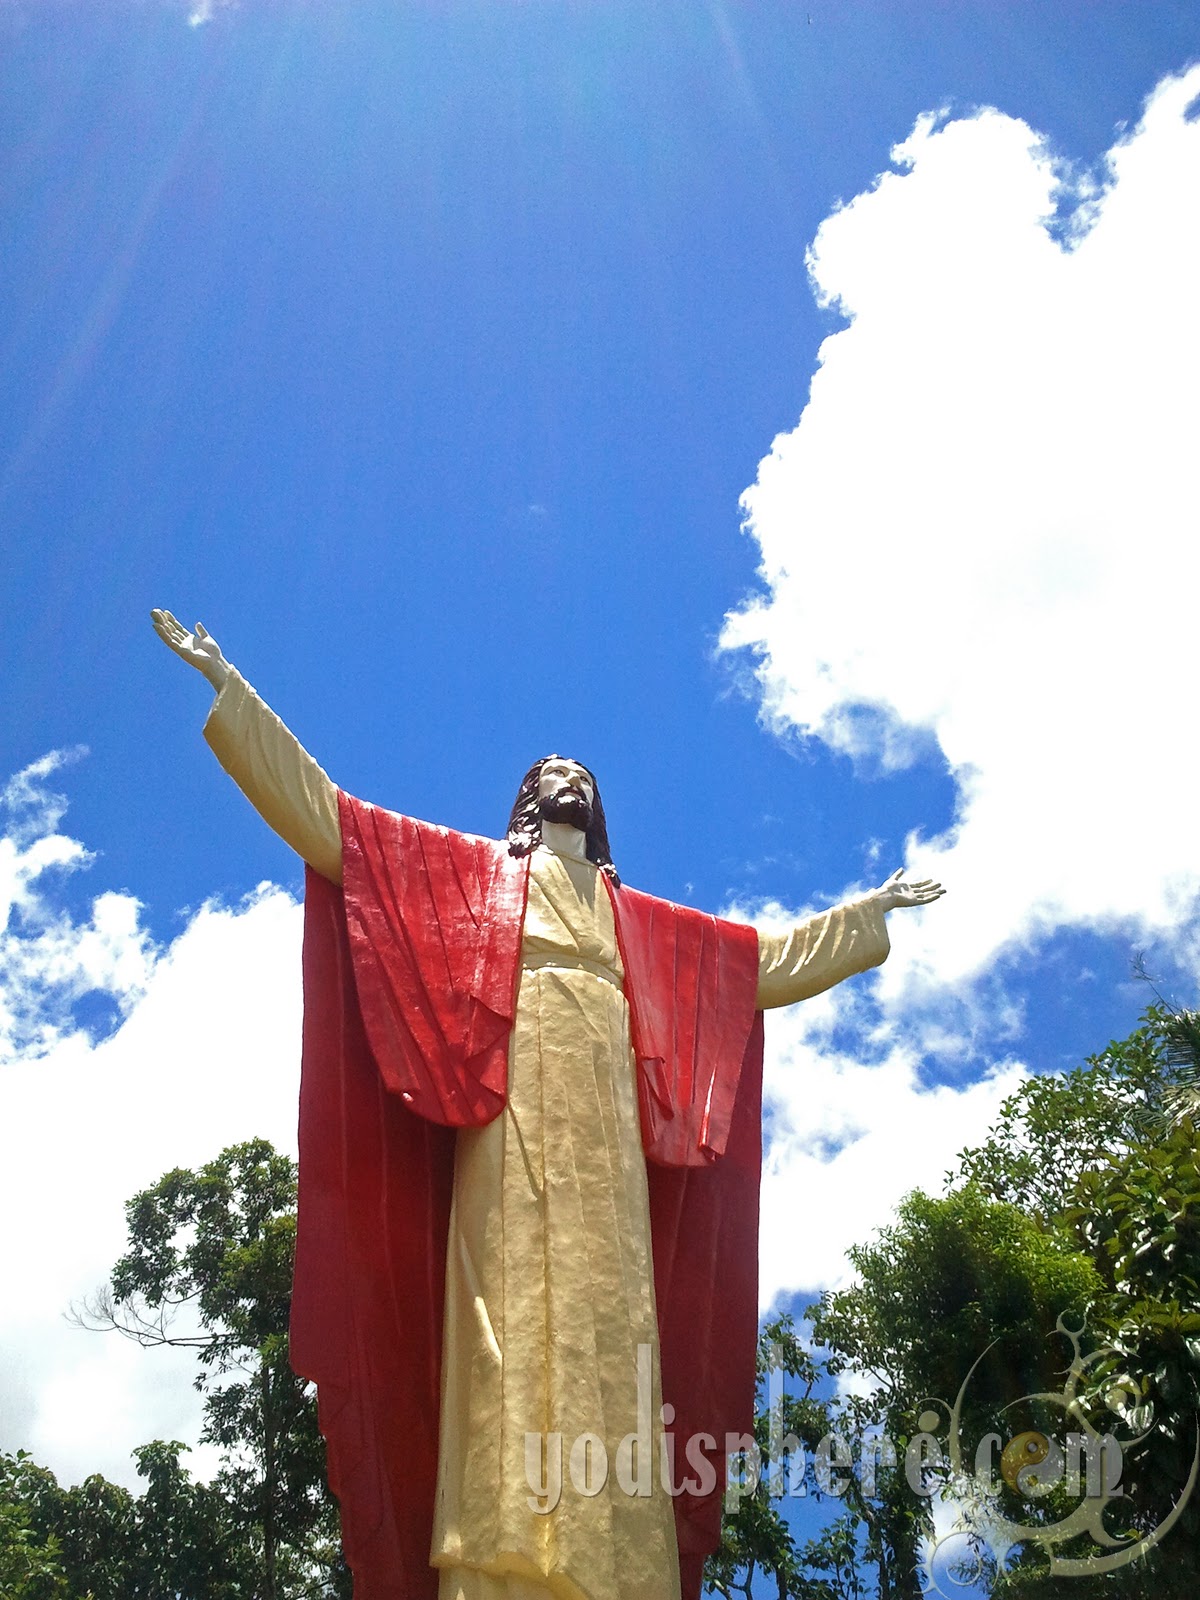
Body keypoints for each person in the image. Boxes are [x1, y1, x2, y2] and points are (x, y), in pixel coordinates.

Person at [150, 609, 944, 1600]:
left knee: (618, 1338)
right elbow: (332, 822)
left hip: (608, 1157)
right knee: (505, 1318)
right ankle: (499, 1556)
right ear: (524, 803)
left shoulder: (642, 928)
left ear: (597, 811)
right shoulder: (466, 883)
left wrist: (868, 914)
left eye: (582, 774)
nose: (565, 774)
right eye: (545, 771)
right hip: (507, 1122)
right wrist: (232, 687)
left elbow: (761, 966)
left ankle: (621, 1566)